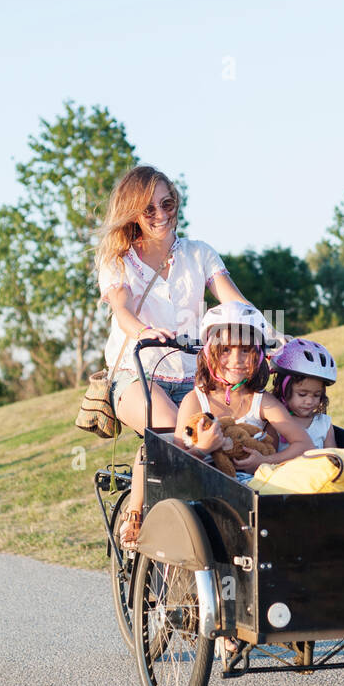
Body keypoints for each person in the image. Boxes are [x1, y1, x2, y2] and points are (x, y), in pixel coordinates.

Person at [95, 165, 252, 547]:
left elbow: (235, 302)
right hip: (137, 373)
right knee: (169, 430)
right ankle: (135, 516)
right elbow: (122, 308)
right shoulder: (118, 261)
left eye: (168, 203)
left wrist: (267, 333)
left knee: (224, 433)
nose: (161, 215)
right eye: (149, 209)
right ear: (132, 212)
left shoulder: (199, 254)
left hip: (191, 377)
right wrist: (143, 332)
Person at [174, 303, 314, 478]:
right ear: (209, 353)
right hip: (206, 492)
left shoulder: (261, 401)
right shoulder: (195, 400)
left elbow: (304, 444)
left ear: (259, 355)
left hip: (256, 491)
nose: (237, 360)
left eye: (246, 350)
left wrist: (265, 461)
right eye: (225, 349)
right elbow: (174, 461)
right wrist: (202, 449)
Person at [269, 338, 338, 450]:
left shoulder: (324, 424)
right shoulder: (276, 423)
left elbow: (333, 457)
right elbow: (269, 458)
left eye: (316, 395)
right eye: (302, 394)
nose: (309, 401)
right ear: (283, 390)